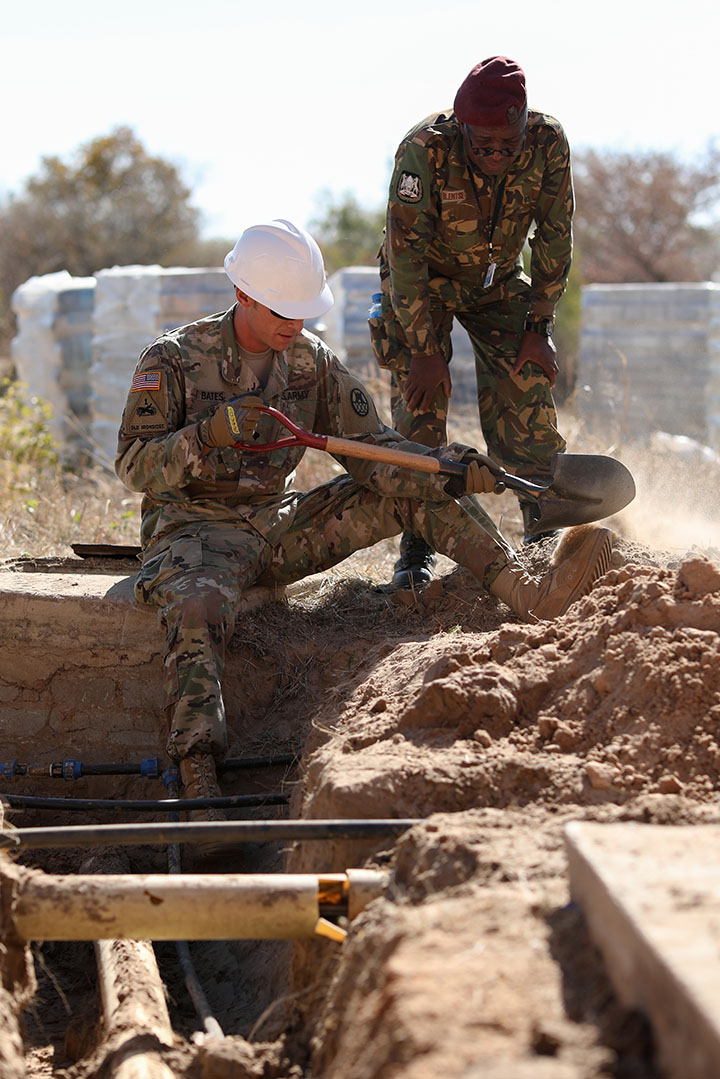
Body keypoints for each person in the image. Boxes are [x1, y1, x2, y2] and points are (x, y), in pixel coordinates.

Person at [115, 218, 610, 855]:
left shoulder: (309, 361)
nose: (294, 323)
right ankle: (199, 777)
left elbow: (374, 451)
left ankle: (527, 590)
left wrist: (453, 469)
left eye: (301, 310)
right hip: (194, 536)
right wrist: (204, 438)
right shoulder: (173, 359)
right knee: (196, 609)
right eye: (280, 311)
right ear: (242, 295)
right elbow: (132, 465)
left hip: (279, 527)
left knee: (412, 490)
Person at [370, 55, 574, 587]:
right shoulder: (424, 150)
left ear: (525, 122)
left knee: (525, 386)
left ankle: (542, 533)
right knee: (420, 406)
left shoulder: (550, 143)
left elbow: (553, 236)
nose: (496, 156)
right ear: (462, 128)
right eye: (483, 146)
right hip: (424, 287)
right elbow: (405, 253)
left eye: (508, 145)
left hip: (497, 281)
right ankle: (418, 547)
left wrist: (540, 326)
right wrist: (421, 348)